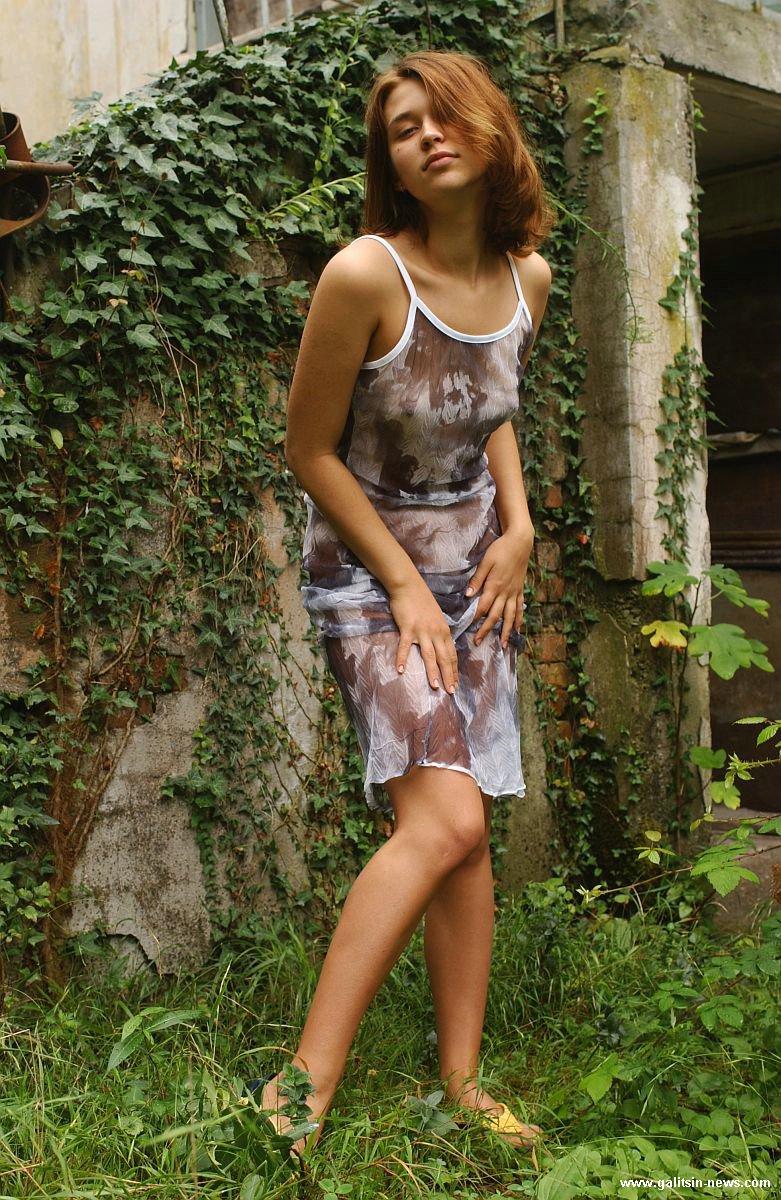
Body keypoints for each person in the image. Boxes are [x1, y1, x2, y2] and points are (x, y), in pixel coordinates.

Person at [257, 47, 553, 1161]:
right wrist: (399, 586)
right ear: (389, 163)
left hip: (478, 572)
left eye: (444, 115)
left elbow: (490, 404)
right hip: (371, 572)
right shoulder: (365, 275)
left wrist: (519, 527)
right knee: (445, 821)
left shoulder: (527, 279)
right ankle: (298, 1088)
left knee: (465, 836)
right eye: (401, 128)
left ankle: (461, 1082)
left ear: (490, 127)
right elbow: (308, 450)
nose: (426, 136)